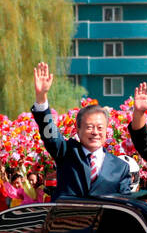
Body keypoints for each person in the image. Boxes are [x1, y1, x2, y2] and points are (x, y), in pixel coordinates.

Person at [30, 62, 133, 198]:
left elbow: (126, 205)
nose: (95, 132)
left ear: (106, 130)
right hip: (66, 218)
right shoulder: (66, 152)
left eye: (100, 127)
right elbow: (49, 132)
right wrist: (41, 98)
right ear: (78, 130)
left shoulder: (120, 167)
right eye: (89, 127)